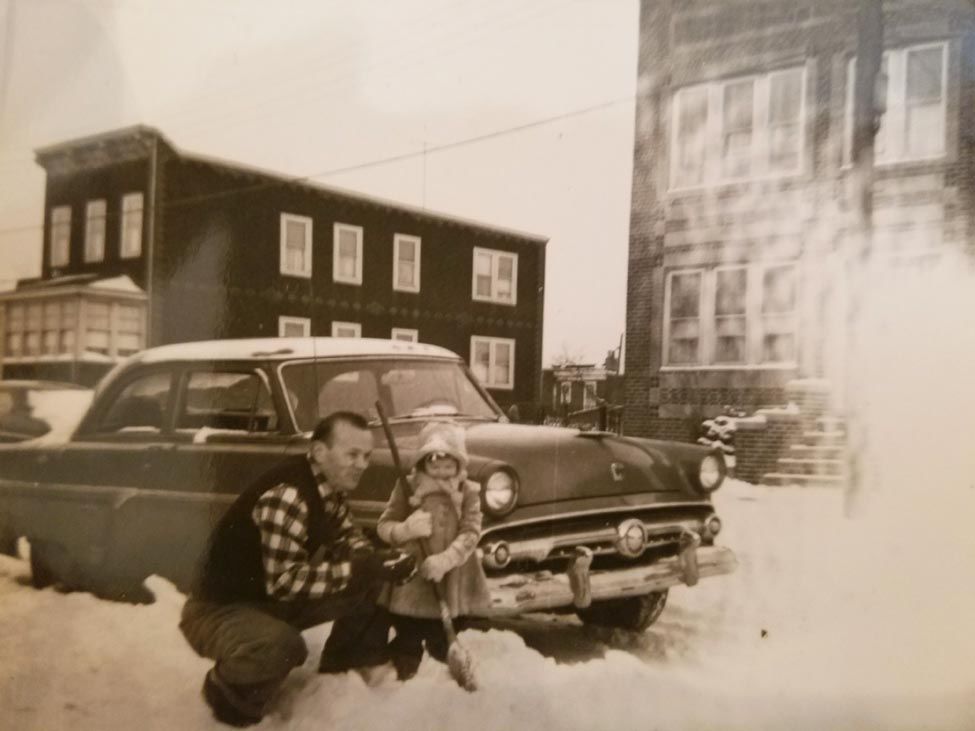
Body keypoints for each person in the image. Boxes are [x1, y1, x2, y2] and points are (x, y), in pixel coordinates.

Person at [180, 411, 415, 727]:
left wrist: (376, 561)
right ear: (319, 452)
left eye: (367, 455)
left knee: (373, 574)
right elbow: (285, 583)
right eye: (353, 454)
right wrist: (359, 569)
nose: (363, 464)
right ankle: (227, 695)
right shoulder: (289, 496)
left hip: (265, 601)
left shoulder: (327, 487)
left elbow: (347, 535)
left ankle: (346, 671)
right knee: (283, 646)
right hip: (218, 610)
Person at [376, 421, 491, 680]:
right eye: (434, 466)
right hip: (413, 580)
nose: (440, 473)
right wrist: (404, 530)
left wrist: (446, 559)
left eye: (448, 466)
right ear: (422, 462)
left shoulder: (468, 492)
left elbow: (472, 532)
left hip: (453, 577)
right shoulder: (408, 487)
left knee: (445, 632)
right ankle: (402, 678)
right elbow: (383, 526)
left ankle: (451, 675)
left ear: (460, 463)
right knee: (409, 632)